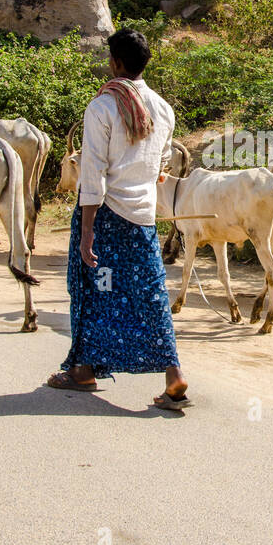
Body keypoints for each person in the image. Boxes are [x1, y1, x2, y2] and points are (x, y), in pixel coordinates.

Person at [46, 28, 191, 409]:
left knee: (95, 290)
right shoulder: (164, 109)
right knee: (150, 293)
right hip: (143, 216)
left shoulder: (102, 107)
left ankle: (83, 370)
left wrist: (87, 231)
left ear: (116, 63)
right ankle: (173, 372)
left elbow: (93, 172)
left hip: (107, 215)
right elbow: (162, 164)